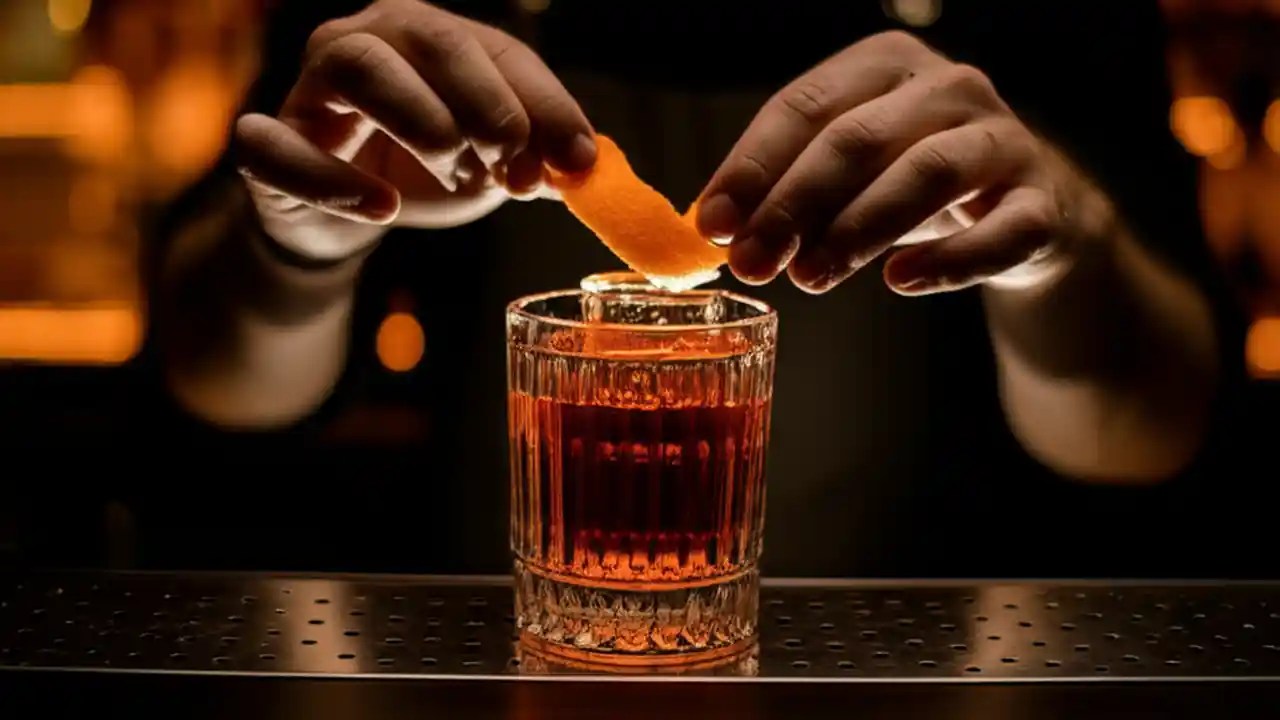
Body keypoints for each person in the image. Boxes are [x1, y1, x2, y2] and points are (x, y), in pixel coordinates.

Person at [146, 0, 1239, 577]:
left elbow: (1148, 433)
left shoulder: (1048, 23)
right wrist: (301, 245)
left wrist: (1062, 239)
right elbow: (221, 388)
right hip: (505, 646)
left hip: (917, 652)